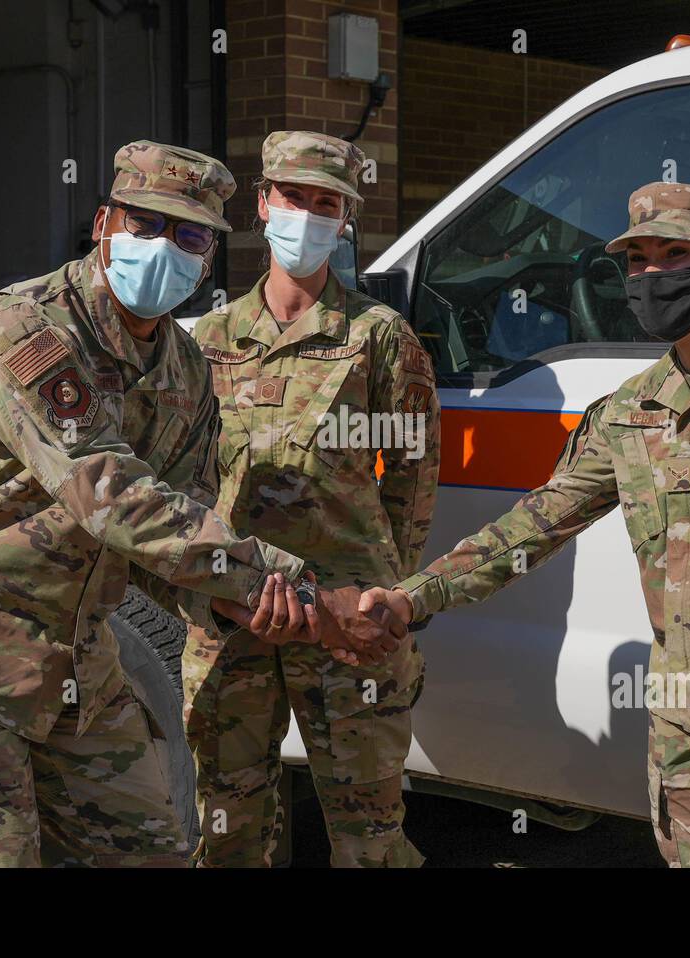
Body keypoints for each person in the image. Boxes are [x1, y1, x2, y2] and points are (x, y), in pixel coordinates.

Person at [0, 141, 397, 868]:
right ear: (105, 222)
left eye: (190, 236)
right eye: (145, 224)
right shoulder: (20, 330)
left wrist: (257, 607)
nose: (164, 247)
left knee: (155, 853)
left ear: (207, 259)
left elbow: (172, 536)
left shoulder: (187, 370)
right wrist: (289, 587)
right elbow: (110, 494)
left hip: (76, 669)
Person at [362, 182, 690, 867]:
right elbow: (533, 526)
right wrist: (413, 597)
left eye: (676, 253)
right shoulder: (631, 410)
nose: (651, 275)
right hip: (676, 745)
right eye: (638, 259)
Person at [183, 130, 441, 867]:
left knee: (370, 838)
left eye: (326, 204)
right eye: (294, 197)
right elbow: (182, 482)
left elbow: (414, 480)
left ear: (344, 221)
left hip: (345, 620)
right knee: (229, 831)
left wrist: (383, 596)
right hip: (235, 615)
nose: (308, 215)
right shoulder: (208, 339)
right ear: (264, 204)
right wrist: (207, 588)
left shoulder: (379, 337)